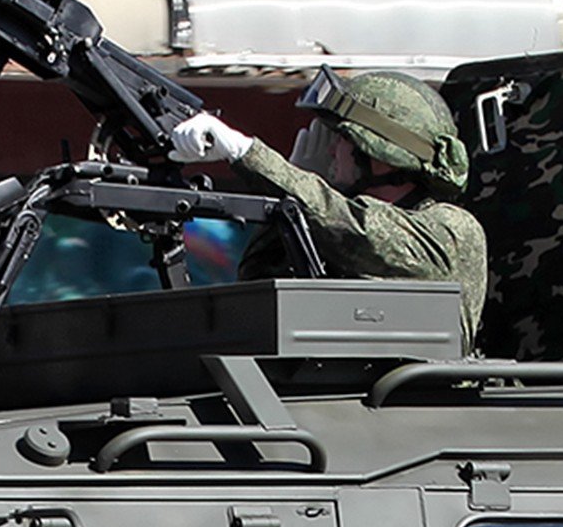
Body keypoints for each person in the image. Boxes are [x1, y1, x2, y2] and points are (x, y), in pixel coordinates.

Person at [168, 70, 490, 339]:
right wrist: (287, 201)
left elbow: (363, 233)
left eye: (343, 139)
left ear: (380, 154)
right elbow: (257, 278)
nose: (332, 150)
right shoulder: (328, 229)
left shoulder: (452, 230)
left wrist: (249, 155)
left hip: (419, 406)